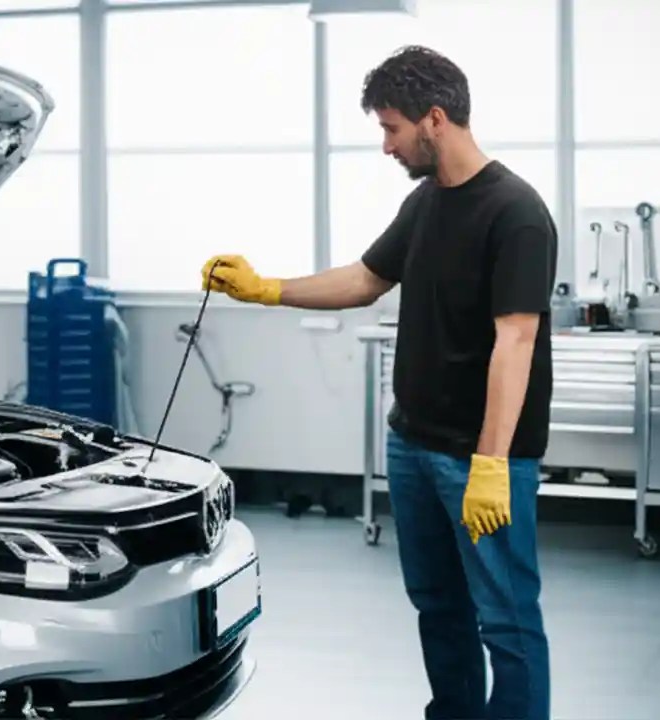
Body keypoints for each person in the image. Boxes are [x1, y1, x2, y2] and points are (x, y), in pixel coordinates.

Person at [200, 45, 553, 720]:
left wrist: (490, 462)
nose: (386, 145)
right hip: (414, 447)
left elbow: (517, 340)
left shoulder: (517, 212)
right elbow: (365, 279)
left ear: (435, 119)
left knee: (505, 618)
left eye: (392, 127)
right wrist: (265, 289)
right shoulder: (425, 204)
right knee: (438, 607)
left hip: (478, 460)